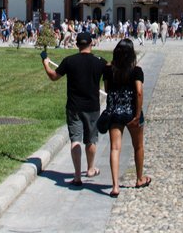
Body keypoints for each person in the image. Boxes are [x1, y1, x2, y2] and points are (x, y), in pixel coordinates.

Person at [42, 31, 106, 186]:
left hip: (74, 107)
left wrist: (45, 62)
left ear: (77, 45)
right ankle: (90, 169)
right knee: (91, 140)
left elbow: (53, 76)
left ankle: (77, 176)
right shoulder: (100, 61)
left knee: (75, 140)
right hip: (92, 107)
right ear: (92, 44)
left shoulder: (69, 61)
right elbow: (110, 76)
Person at [102, 39, 151, 197]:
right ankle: (139, 178)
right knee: (138, 146)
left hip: (115, 111)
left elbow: (107, 89)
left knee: (115, 148)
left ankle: (115, 186)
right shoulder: (136, 70)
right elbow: (138, 92)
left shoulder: (109, 70)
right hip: (132, 111)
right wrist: (137, 114)